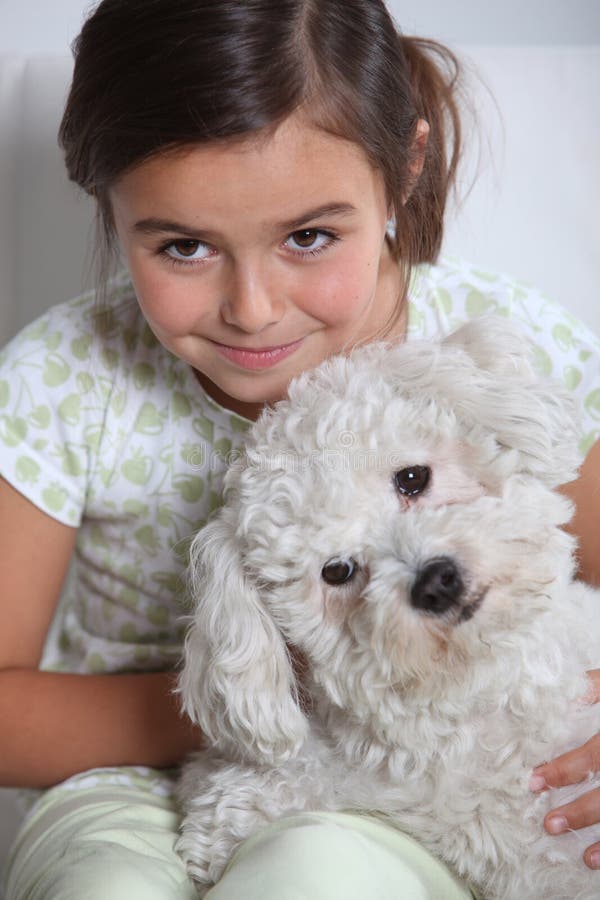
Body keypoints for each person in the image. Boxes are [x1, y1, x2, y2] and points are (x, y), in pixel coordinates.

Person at [1, 1, 599, 897]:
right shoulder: (65, 375)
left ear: (404, 169)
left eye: (309, 236)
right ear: (109, 206)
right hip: (127, 779)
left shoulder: (488, 342)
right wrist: (276, 709)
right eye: (185, 245)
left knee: (314, 877)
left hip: (441, 788)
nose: (252, 307)